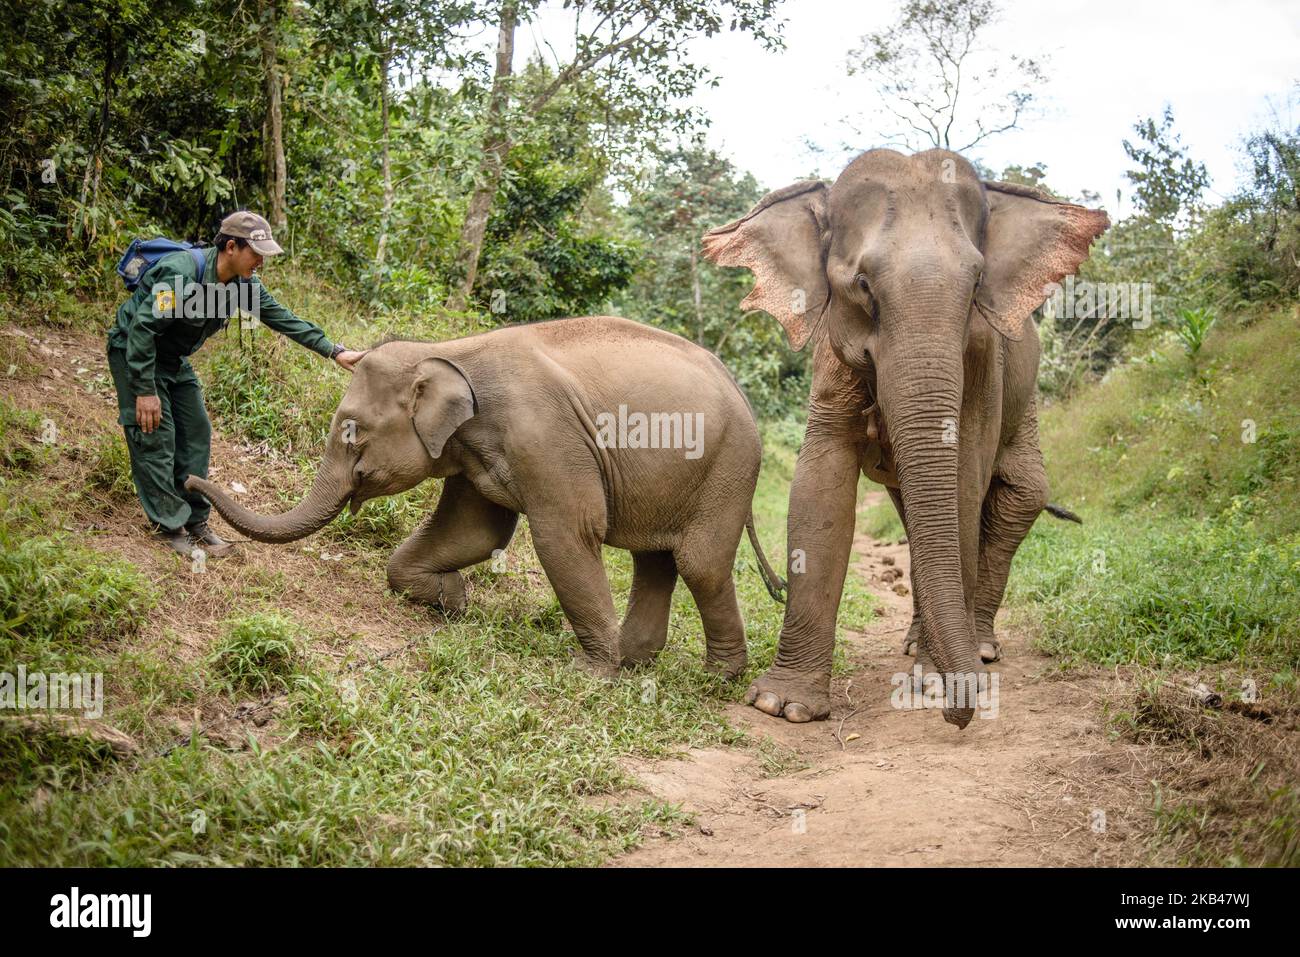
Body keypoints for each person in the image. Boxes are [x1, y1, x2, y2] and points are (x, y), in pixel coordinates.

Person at [106, 210, 366, 557]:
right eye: (256, 253)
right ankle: (169, 527)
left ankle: (196, 522)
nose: (261, 261)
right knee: (155, 435)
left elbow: (283, 319)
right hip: (136, 352)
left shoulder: (243, 287)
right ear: (231, 246)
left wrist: (335, 352)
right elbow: (142, 330)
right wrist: (144, 391)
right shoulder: (181, 274)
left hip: (172, 360)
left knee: (196, 433)